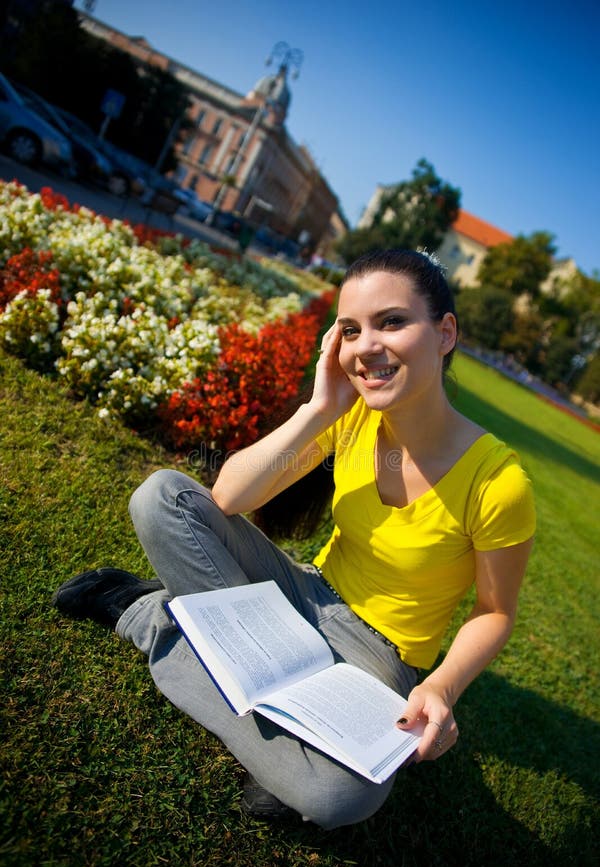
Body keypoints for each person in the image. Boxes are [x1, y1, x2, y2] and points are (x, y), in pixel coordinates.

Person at [53, 248, 535, 830]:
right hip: (304, 593)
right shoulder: (352, 417)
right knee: (162, 498)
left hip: (380, 655)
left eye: (391, 322)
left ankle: (152, 616)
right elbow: (229, 496)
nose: (366, 346)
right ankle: (281, 725)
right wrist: (320, 407)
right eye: (351, 330)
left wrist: (441, 687)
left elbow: (494, 611)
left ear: (445, 333)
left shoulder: (498, 482)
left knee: (341, 797)